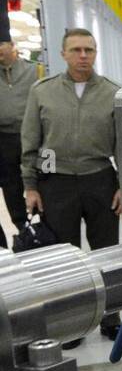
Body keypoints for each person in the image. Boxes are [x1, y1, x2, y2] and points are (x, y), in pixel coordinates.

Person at [21, 28, 122, 345]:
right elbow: (31, 142)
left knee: (105, 253)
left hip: (100, 180)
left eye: (89, 50)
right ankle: (72, 324)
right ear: (63, 54)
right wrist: (32, 186)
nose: (83, 56)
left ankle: (111, 317)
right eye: (76, 50)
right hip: (57, 182)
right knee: (64, 260)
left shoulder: (113, 93)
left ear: (95, 54)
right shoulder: (42, 92)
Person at [0, 38, 38, 245]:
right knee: (11, 183)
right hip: (5, 139)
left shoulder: (34, 71)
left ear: (13, 46)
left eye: (1, 45)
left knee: (46, 175)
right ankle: (22, 225)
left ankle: (47, 217)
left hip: (36, 137)